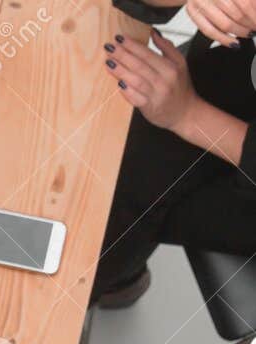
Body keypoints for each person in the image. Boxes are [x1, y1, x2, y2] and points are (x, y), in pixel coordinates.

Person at [96, 6, 256, 305]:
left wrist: (188, 115)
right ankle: (118, 277)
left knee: (111, 201)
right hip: (240, 70)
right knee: (118, 153)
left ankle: (100, 283)